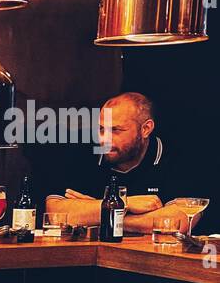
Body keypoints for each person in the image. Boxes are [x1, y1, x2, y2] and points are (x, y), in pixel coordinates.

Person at [46, 92, 191, 233]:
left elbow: (179, 222)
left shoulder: (175, 158)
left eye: (115, 130)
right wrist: (126, 203)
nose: (104, 139)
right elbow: (56, 215)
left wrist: (97, 213)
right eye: (101, 129)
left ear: (146, 129)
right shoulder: (84, 153)